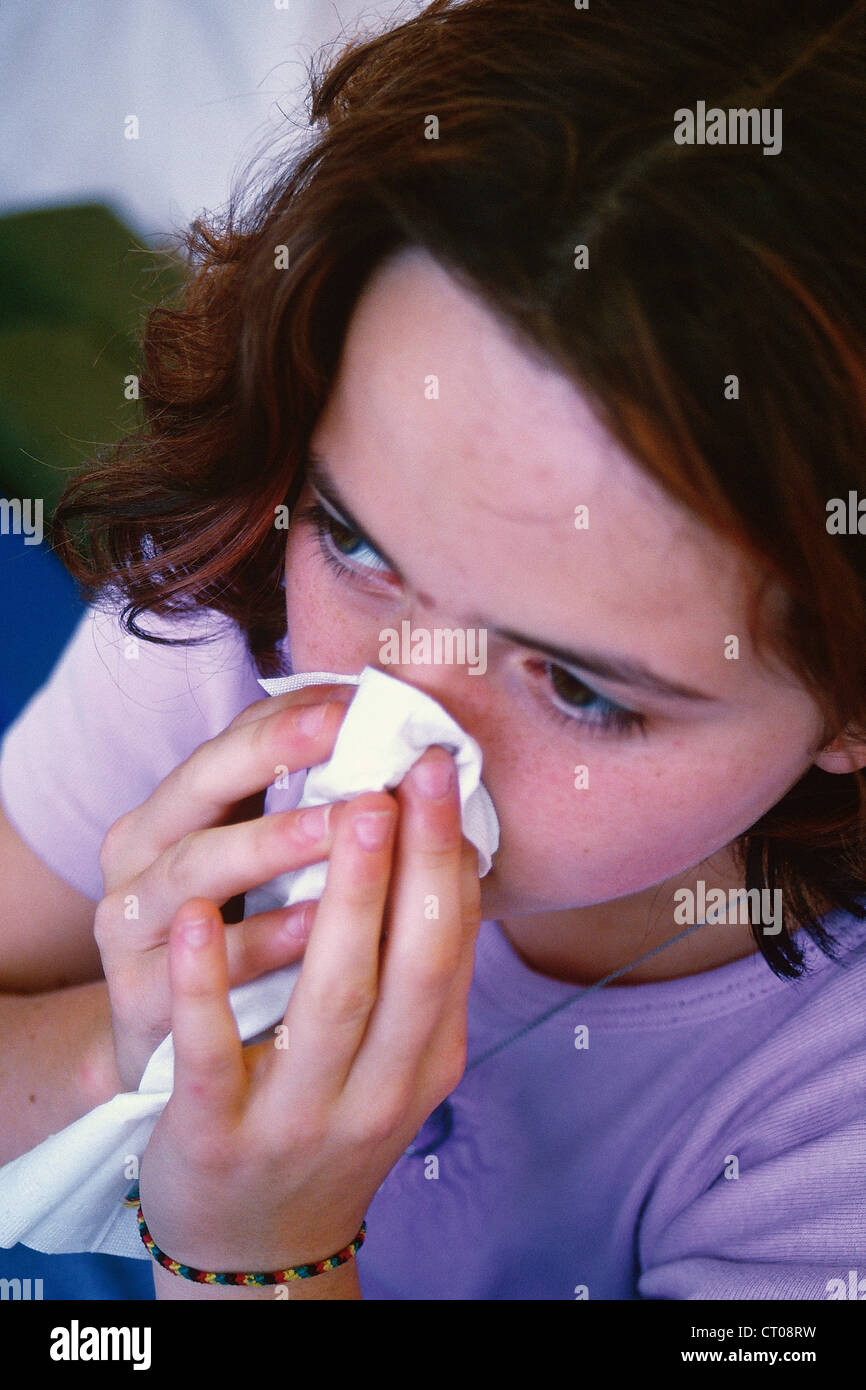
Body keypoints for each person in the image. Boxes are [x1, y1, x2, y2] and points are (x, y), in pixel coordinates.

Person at [2, 0, 865, 1301]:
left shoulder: (826, 1115)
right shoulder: (230, 629)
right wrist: (148, 1056)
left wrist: (256, 1254)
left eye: (577, 685)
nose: (392, 703)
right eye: (355, 540)